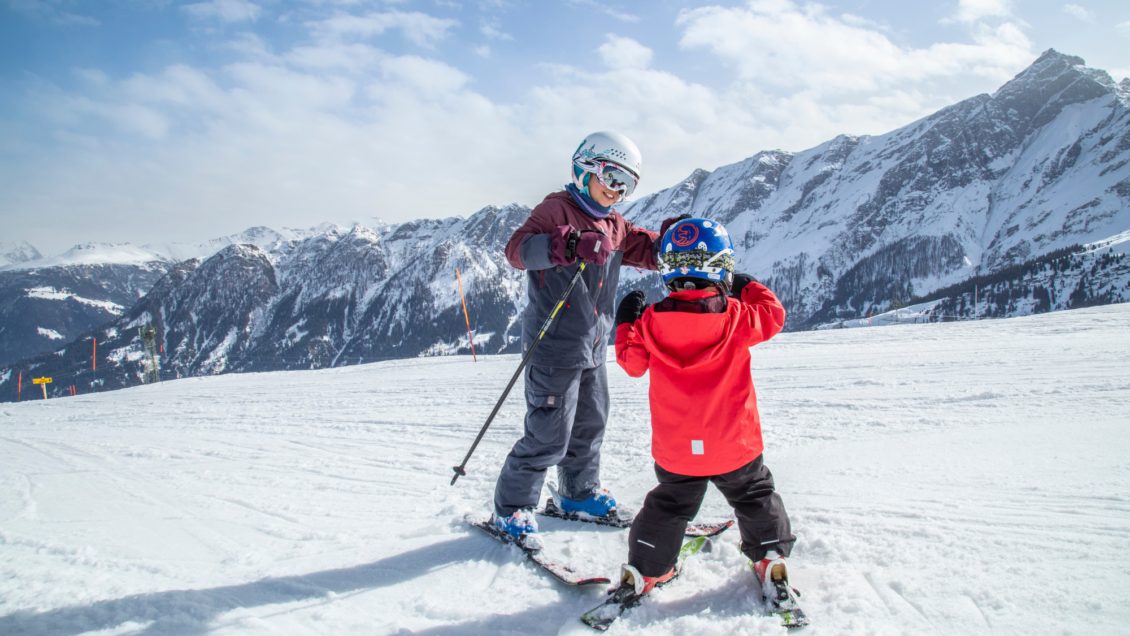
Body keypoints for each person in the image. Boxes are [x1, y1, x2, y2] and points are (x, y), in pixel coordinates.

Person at [611, 216, 796, 601]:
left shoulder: (650, 322)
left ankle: (645, 571)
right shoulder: (737, 316)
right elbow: (774, 315)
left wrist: (626, 320)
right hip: (735, 447)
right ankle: (770, 559)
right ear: (722, 267)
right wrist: (748, 285)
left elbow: (632, 363)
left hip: (677, 452)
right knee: (754, 494)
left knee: (669, 504)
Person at [492, 131, 664, 541]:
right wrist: (567, 244)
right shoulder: (556, 209)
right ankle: (512, 508)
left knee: (590, 425)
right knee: (549, 434)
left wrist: (675, 244)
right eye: (612, 177)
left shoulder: (614, 224)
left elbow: (644, 248)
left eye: (627, 184)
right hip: (553, 346)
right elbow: (517, 251)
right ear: (585, 168)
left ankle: (577, 493)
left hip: (593, 346)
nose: (617, 190)